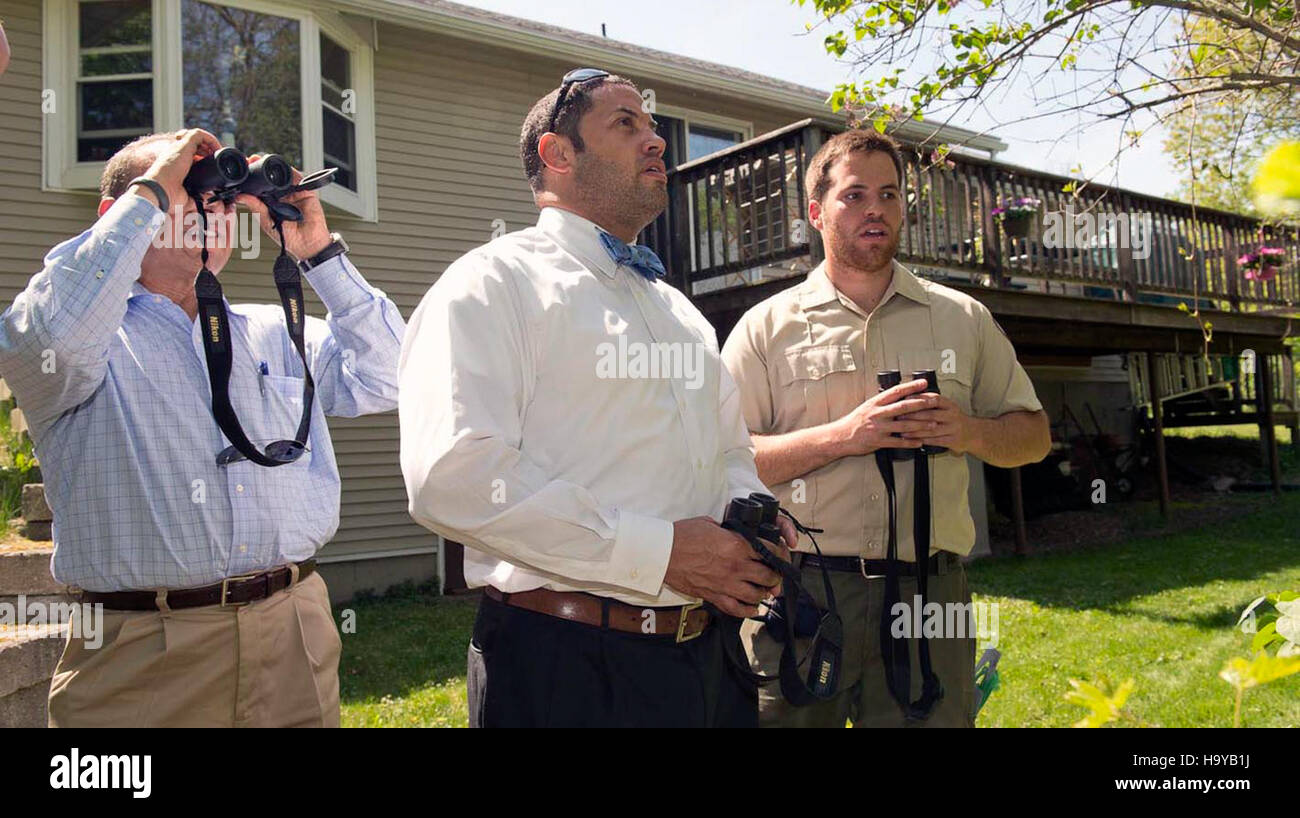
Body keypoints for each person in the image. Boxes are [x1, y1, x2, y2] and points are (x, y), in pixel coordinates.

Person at [399, 69, 795, 727]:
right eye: (626, 124)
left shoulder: (680, 311)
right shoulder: (492, 283)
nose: (658, 142)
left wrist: (749, 517)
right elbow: (454, 475)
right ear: (557, 155)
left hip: (710, 665)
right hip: (565, 671)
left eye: (654, 127)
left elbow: (729, 450)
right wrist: (660, 552)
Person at [0, 128, 404, 727]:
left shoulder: (275, 330)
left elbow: (392, 377)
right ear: (122, 212)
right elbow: (42, 339)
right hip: (143, 651)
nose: (207, 214)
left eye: (216, 199)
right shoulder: (82, 343)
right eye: (184, 195)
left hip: (295, 628)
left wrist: (317, 251)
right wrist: (150, 194)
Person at [721, 129, 1050, 728]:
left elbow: (1033, 436)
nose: (876, 208)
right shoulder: (764, 327)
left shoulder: (963, 318)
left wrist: (967, 431)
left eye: (890, 194)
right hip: (804, 594)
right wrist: (845, 436)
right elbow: (723, 462)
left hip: (932, 596)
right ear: (816, 212)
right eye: (855, 195)